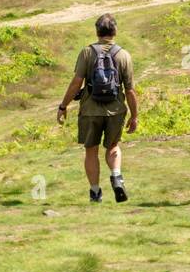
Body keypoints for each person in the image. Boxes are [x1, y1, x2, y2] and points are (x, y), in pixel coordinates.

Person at [57, 13, 137, 203]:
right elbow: (131, 90)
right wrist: (134, 116)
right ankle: (116, 176)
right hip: (115, 110)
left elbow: (77, 82)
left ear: (97, 31)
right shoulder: (124, 55)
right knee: (113, 147)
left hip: (90, 110)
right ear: (115, 31)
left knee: (91, 150)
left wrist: (63, 106)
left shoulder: (87, 53)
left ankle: (95, 193)